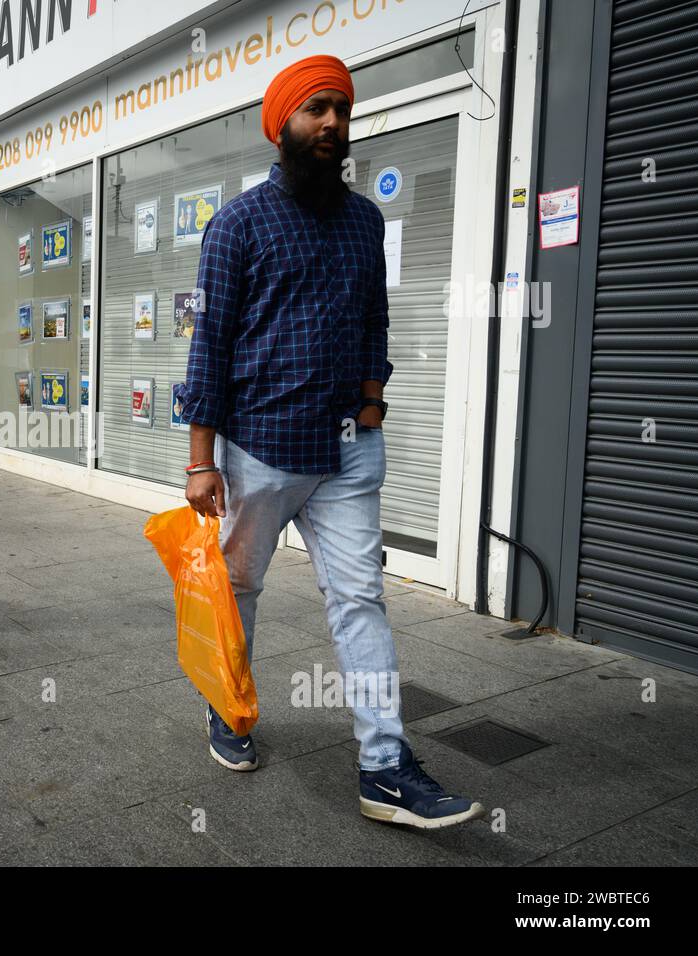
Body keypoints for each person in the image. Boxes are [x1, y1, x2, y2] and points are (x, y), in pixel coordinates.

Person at [178, 56, 484, 829]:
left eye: (341, 112)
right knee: (238, 592)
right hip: (262, 451)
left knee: (360, 599)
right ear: (281, 123)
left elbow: (376, 316)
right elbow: (208, 344)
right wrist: (198, 461)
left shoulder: (363, 220)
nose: (332, 125)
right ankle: (231, 710)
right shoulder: (238, 225)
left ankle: (384, 767)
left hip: (348, 452)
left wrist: (376, 395)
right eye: (316, 110)